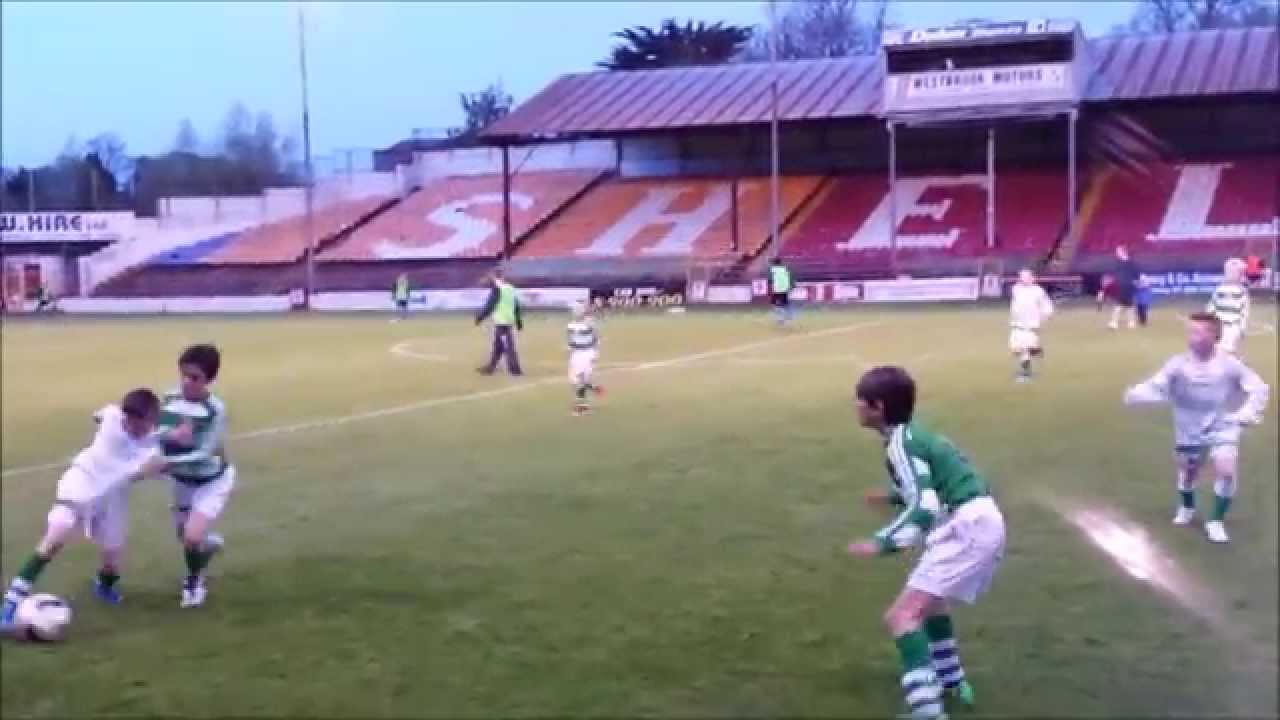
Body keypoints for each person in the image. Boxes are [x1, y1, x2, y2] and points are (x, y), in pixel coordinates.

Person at [847, 366, 1006, 719]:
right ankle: (952, 682)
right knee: (932, 605)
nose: (855, 407)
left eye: (861, 401)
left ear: (878, 408)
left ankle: (928, 712)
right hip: (979, 520)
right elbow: (937, 485)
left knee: (902, 616)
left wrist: (883, 542)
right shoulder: (914, 436)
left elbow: (926, 503)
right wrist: (891, 497)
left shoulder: (901, 444)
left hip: (966, 527)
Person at [2, 389, 170, 628]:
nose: (132, 427)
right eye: (128, 420)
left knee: (112, 558)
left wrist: (161, 465)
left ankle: (104, 585)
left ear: (151, 420)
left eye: (139, 423)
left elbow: (142, 466)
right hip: (80, 483)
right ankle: (11, 601)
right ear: (123, 415)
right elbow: (104, 418)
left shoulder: (150, 445)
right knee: (58, 531)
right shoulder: (115, 420)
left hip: (111, 497)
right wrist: (155, 467)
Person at [1123, 313, 1269, 544]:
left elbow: (1260, 388)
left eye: (1201, 332)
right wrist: (1135, 395)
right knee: (1189, 472)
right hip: (1188, 428)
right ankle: (1187, 507)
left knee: (1226, 470)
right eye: (1191, 331)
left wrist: (1244, 415)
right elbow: (1157, 385)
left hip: (1222, 426)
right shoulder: (1177, 365)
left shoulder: (1230, 364)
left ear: (1215, 335)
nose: (1194, 337)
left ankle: (1215, 521)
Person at [157, 343, 234, 608]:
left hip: (212, 480)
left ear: (209, 379)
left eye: (195, 378)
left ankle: (194, 582)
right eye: (184, 375)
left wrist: (167, 462)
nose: (187, 382)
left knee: (190, 538)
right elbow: (158, 435)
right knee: (187, 539)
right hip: (182, 481)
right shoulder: (170, 399)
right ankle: (207, 545)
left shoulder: (215, 410)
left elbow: (205, 452)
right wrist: (169, 437)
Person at [1008, 268, 1054, 382]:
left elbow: (1047, 305)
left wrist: (1046, 314)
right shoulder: (1016, 289)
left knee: (1023, 349)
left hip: (1031, 327)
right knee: (1015, 349)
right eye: (1021, 276)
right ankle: (1036, 350)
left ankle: (1026, 374)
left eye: (1026, 276)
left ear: (1032, 278)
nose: (1023, 278)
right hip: (1017, 325)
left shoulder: (1038, 291)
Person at [475, 269, 523, 376]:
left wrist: (480, 317)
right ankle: (490, 368)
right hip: (508, 320)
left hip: (502, 322)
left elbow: (490, 305)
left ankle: (515, 370)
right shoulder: (511, 288)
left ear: (495, 277)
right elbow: (516, 306)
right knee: (498, 346)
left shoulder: (497, 289)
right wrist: (518, 321)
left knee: (508, 346)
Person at [567, 301, 605, 415]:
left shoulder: (589, 323)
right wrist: (569, 347)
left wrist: (595, 353)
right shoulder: (570, 325)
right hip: (576, 355)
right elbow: (571, 340)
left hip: (587, 354)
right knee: (575, 380)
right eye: (575, 310)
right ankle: (594, 388)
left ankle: (582, 407)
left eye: (578, 310)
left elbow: (596, 338)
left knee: (580, 380)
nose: (575, 312)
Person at [1207, 257, 1250, 355]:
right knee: (1218, 352)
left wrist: (1242, 327)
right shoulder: (1220, 289)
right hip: (1220, 327)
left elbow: (1244, 311)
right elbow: (1212, 306)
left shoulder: (1241, 291)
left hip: (1232, 327)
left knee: (1227, 352)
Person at [1108, 245, 1139, 330]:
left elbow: (1136, 275)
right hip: (1122, 286)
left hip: (1127, 286)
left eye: (1118, 251)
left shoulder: (1131, 263)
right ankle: (1128, 323)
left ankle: (1116, 323)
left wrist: (1135, 283)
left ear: (1123, 252)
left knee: (1124, 305)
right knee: (1125, 305)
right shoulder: (1118, 263)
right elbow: (1115, 274)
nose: (1116, 253)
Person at [768, 257, 794, 326]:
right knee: (785, 304)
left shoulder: (772, 270)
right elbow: (791, 277)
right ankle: (788, 317)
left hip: (777, 289)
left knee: (775, 304)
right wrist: (792, 286)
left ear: (774, 263)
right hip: (785, 289)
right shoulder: (786, 269)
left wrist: (770, 290)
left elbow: (770, 280)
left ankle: (781, 319)